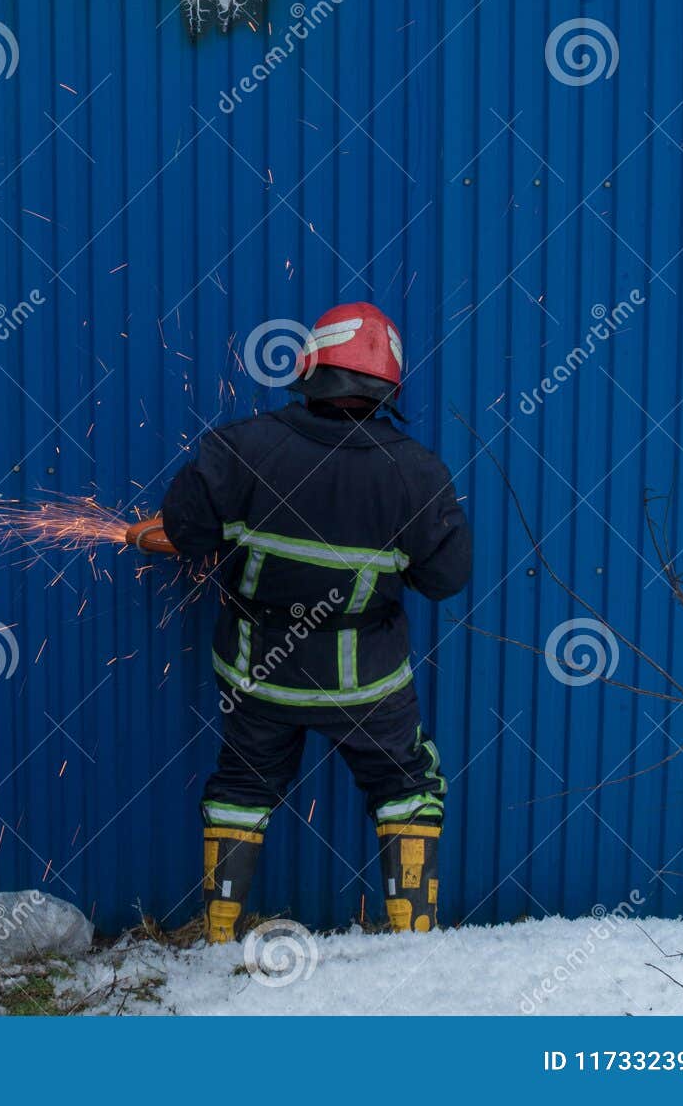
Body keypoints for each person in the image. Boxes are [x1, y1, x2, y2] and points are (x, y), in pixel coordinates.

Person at [131, 302, 472, 941]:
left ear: (310, 368)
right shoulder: (419, 473)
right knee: (406, 786)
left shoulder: (236, 450)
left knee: (242, 786)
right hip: (367, 684)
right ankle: (414, 945)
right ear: (389, 384)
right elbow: (445, 579)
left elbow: (185, 532)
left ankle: (219, 942)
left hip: (258, 675)